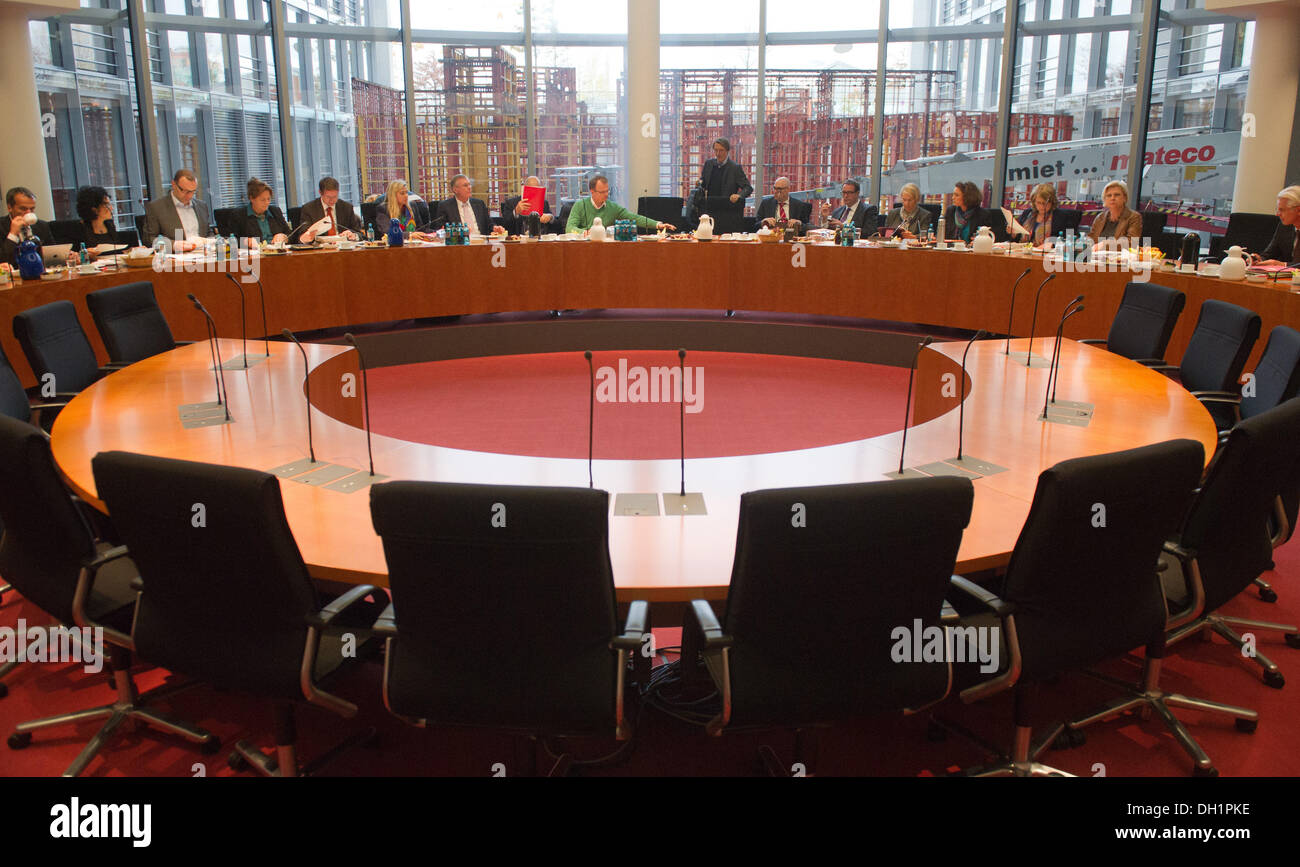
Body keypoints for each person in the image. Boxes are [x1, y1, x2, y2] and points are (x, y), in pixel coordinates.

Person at [565, 174, 674, 234]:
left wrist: (658, 224)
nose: (606, 195)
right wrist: (585, 232)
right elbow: (569, 228)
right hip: (583, 247)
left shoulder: (613, 207)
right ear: (592, 192)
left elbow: (634, 218)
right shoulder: (580, 205)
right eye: (602, 192)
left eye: (607, 191)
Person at [142, 169, 213, 250]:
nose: (189, 196)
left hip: (203, 255)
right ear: (174, 185)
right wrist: (173, 245)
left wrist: (211, 241)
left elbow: (208, 233)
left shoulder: (202, 206)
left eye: (193, 192)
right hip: (175, 257)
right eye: (185, 191)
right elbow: (149, 240)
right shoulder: (156, 207)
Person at [294, 176, 362, 243]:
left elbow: (359, 233)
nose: (332, 200)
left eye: (335, 196)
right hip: (320, 250)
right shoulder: (309, 209)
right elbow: (302, 237)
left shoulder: (346, 207)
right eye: (328, 197)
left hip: (342, 248)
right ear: (320, 193)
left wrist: (353, 235)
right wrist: (306, 238)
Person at [1, 186, 55, 267]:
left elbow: (52, 254)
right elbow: (3, 260)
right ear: (9, 208)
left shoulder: (42, 226)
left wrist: (66, 255)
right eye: (23, 209)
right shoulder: (1, 226)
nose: (28, 213)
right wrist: (13, 234)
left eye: (32, 209)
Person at [942, 181, 1009, 243]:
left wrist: (978, 241)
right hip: (950, 250)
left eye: (956, 195)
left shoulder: (982, 214)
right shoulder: (951, 211)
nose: (953, 198)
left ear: (967, 197)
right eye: (953, 195)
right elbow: (942, 234)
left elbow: (989, 236)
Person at [233, 177, 291, 248]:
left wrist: (284, 237)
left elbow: (290, 234)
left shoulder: (275, 211)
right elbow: (230, 241)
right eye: (263, 200)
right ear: (252, 199)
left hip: (277, 253)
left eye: (269, 199)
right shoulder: (239, 215)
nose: (267, 203)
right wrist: (246, 241)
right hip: (255, 256)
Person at [1252, 185, 1300, 266]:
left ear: (1298, 210)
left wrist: (1282, 265)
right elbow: (1270, 254)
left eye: (1282, 210)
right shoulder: (1284, 227)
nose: (1277, 214)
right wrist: (1259, 260)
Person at [696, 138, 753, 205]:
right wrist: (699, 183)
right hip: (710, 206)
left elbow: (748, 188)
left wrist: (739, 195)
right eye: (716, 150)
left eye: (721, 150)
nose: (718, 153)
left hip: (727, 207)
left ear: (727, 151)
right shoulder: (708, 164)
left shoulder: (735, 168)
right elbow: (704, 182)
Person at [1087, 180, 1143, 246]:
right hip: (1097, 255)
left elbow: (1131, 242)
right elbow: (1091, 239)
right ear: (1104, 199)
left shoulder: (1134, 217)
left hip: (1121, 255)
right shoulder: (1100, 217)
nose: (1112, 198)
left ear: (1125, 198)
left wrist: (1104, 244)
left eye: (1117, 195)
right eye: (1109, 195)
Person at [1018, 183, 1073, 247]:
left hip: (1047, 254)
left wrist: (1052, 243)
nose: (1042, 206)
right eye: (1038, 202)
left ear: (1052, 202)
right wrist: (1013, 234)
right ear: (1034, 201)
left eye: (1045, 203)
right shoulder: (1027, 213)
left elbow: (1070, 238)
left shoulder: (1062, 216)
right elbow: (1017, 238)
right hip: (1022, 253)